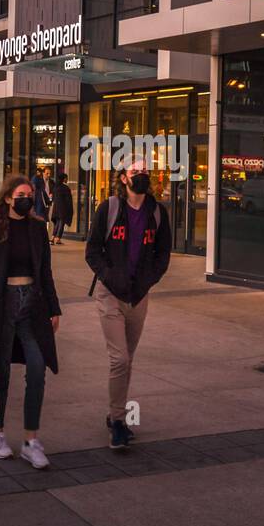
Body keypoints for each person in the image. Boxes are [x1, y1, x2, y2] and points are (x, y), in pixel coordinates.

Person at [0, 175, 62, 469]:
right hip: (1, 305)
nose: (27, 198)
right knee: (1, 372)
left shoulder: (37, 228)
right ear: (9, 198)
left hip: (31, 305)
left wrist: (54, 307)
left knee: (37, 367)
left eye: (30, 194)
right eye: (22, 194)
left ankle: (30, 440)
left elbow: (45, 271)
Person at [84, 158, 172, 449]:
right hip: (110, 294)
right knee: (119, 358)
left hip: (139, 296)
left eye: (146, 172)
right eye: (136, 172)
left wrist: (148, 280)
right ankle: (119, 422)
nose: (142, 176)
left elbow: (163, 253)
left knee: (128, 359)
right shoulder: (109, 209)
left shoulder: (157, 213)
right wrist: (109, 276)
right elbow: (92, 250)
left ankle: (115, 414)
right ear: (123, 178)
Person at [50, 171, 73, 244]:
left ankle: (53, 237)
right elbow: (68, 200)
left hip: (56, 208)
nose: (67, 179)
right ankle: (58, 238)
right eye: (66, 178)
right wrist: (70, 209)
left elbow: (53, 198)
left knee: (57, 223)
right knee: (61, 223)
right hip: (63, 208)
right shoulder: (65, 188)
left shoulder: (55, 187)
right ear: (64, 179)